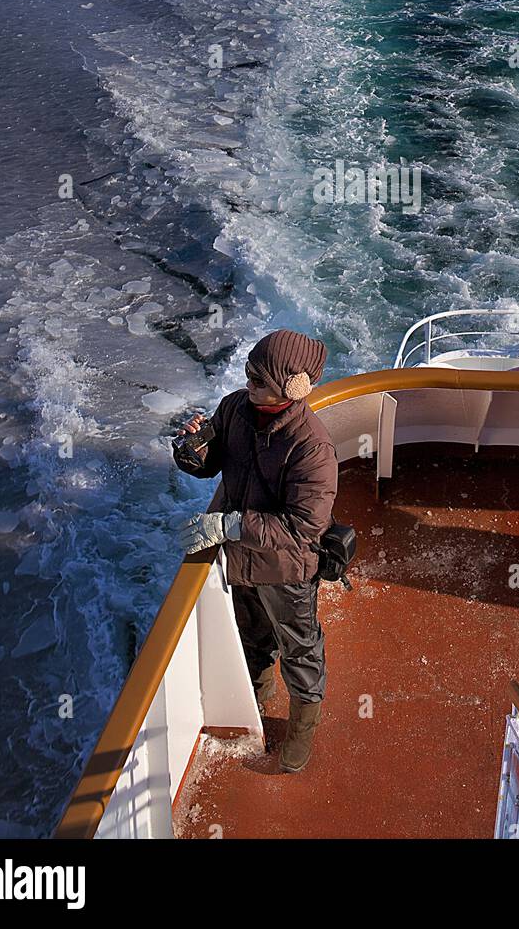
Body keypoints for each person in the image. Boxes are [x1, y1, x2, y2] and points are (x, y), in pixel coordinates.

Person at [174, 329, 337, 774]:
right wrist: (192, 450)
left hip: (286, 571)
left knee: (300, 649)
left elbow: (303, 529)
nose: (248, 382)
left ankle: (298, 741)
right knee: (254, 639)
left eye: (258, 378)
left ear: (291, 388)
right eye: (247, 371)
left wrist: (230, 525)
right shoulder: (235, 408)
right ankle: (258, 708)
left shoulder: (313, 448)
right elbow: (210, 467)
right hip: (242, 563)